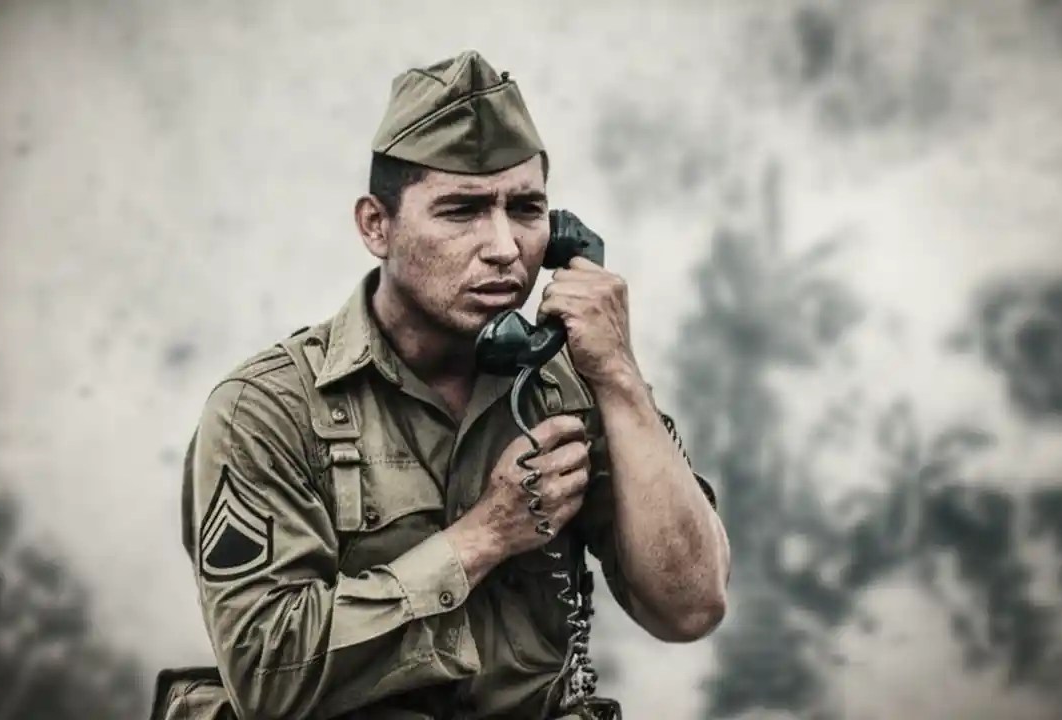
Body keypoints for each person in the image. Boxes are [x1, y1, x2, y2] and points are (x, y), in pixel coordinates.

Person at [150, 49, 730, 720]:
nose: (506, 247)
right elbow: (267, 676)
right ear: (377, 225)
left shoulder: (575, 386)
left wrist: (619, 377)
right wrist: (485, 535)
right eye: (462, 211)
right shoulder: (266, 411)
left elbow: (691, 607)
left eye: (527, 208)